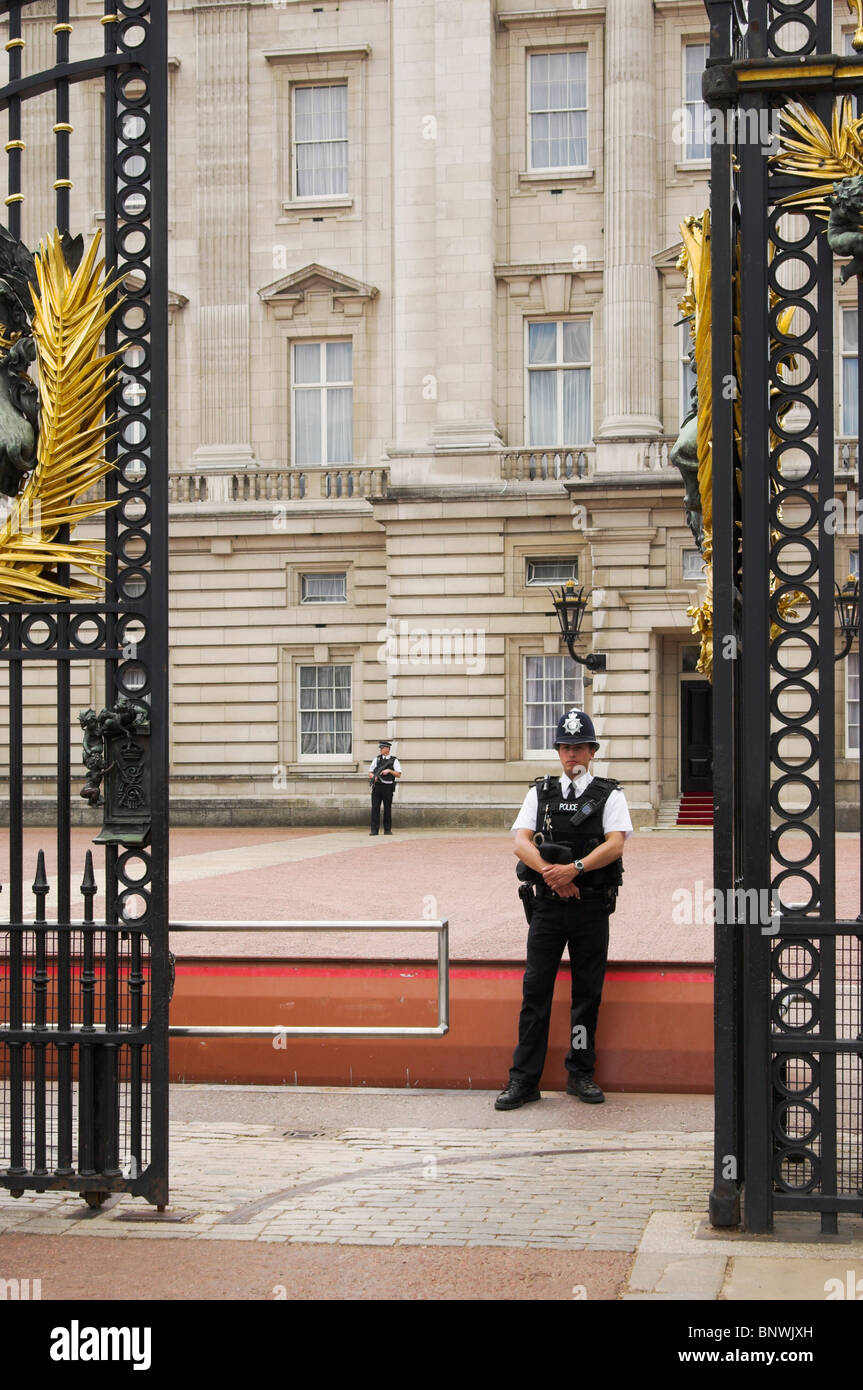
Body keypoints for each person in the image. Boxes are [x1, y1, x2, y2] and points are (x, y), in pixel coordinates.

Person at [495, 709, 632, 1110]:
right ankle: (523, 1080)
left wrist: (573, 869)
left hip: (591, 909)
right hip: (547, 910)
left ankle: (580, 1073)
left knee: (586, 996)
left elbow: (615, 844)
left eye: (579, 747)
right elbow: (521, 842)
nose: (571, 754)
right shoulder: (540, 793)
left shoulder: (610, 794)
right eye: (565, 747)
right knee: (535, 993)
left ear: (592, 751)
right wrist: (552, 875)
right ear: (557, 751)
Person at [368, 739, 401, 835]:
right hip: (377, 786)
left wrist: (389, 771)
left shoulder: (394, 760)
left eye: (382, 748)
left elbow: (398, 774)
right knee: (375, 808)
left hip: (388, 787)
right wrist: (373, 777)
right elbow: (370, 772)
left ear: (388, 749)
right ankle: (374, 830)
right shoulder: (377, 759)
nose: (381, 749)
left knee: (387, 808)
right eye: (380, 748)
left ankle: (387, 829)